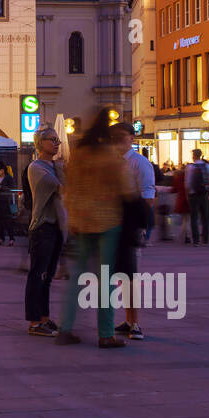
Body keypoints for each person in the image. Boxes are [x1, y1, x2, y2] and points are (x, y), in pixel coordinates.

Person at [57, 111, 130, 349]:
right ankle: (106, 334)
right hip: (107, 222)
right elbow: (127, 189)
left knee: (76, 278)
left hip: (80, 222)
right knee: (105, 280)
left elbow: (68, 188)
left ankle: (65, 329)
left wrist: (75, 214)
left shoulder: (78, 154)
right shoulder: (110, 156)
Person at [110, 124, 152, 340]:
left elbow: (148, 196)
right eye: (114, 136)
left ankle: (134, 322)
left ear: (132, 138)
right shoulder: (111, 162)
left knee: (130, 277)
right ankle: (127, 319)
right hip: (111, 226)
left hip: (130, 227)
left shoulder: (139, 163)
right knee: (118, 277)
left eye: (122, 136)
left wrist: (140, 226)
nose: (118, 140)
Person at [24, 126, 66, 337]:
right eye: (52, 140)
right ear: (40, 143)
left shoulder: (54, 165)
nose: (57, 143)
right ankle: (34, 321)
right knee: (38, 275)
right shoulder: (36, 167)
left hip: (56, 226)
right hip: (42, 227)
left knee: (47, 276)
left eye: (58, 139)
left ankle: (45, 318)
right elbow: (61, 187)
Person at [185, 148, 209, 246]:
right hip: (204, 194)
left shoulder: (190, 167)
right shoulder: (208, 167)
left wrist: (188, 194)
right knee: (205, 217)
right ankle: (205, 239)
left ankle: (196, 241)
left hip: (193, 195)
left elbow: (188, 183)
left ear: (194, 156)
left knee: (194, 218)